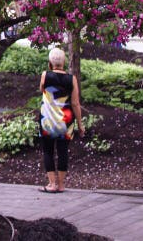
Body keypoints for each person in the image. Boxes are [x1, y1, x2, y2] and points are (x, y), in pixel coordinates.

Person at [39, 47, 84, 193]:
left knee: (48, 151)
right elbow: (76, 103)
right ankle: (61, 185)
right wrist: (80, 124)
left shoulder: (45, 75)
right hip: (65, 122)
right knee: (63, 151)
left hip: (48, 121)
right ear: (64, 61)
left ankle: (52, 184)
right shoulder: (72, 79)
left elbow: (42, 90)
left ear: (50, 62)